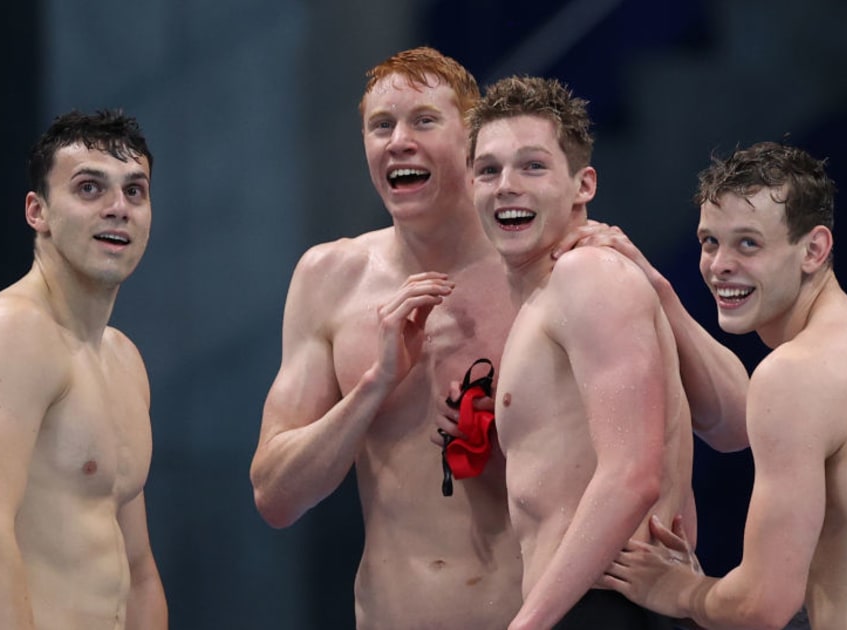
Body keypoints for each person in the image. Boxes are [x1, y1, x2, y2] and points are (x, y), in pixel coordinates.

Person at [250, 48, 748, 630]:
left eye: (424, 121)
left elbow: (730, 426)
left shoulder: (558, 263)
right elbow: (276, 498)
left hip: (543, 613)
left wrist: (663, 294)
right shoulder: (329, 279)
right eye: (381, 126)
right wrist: (372, 388)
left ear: (468, 145)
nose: (399, 141)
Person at [600, 141, 847, 629]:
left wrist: (677, 588)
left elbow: (762, 604)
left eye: (748, 243)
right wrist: (664, 297)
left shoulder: (795, 373)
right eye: (709, 242)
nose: (719, 265)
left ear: (814, 249)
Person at [467, 75, 695, 630]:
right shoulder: (545, 298)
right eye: (489, 170)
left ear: (582, 184)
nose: (506, 186)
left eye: (532, 166)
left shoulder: (589, 275)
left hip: (607, 608)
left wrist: (529, 624)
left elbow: (632, 473)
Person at [0, 109, 167, 629]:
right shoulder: (9, 333)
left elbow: (138, 567)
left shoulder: (123, 359)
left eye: (135, 191)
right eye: (89, 188)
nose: (118, 208)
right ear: (37, 211)